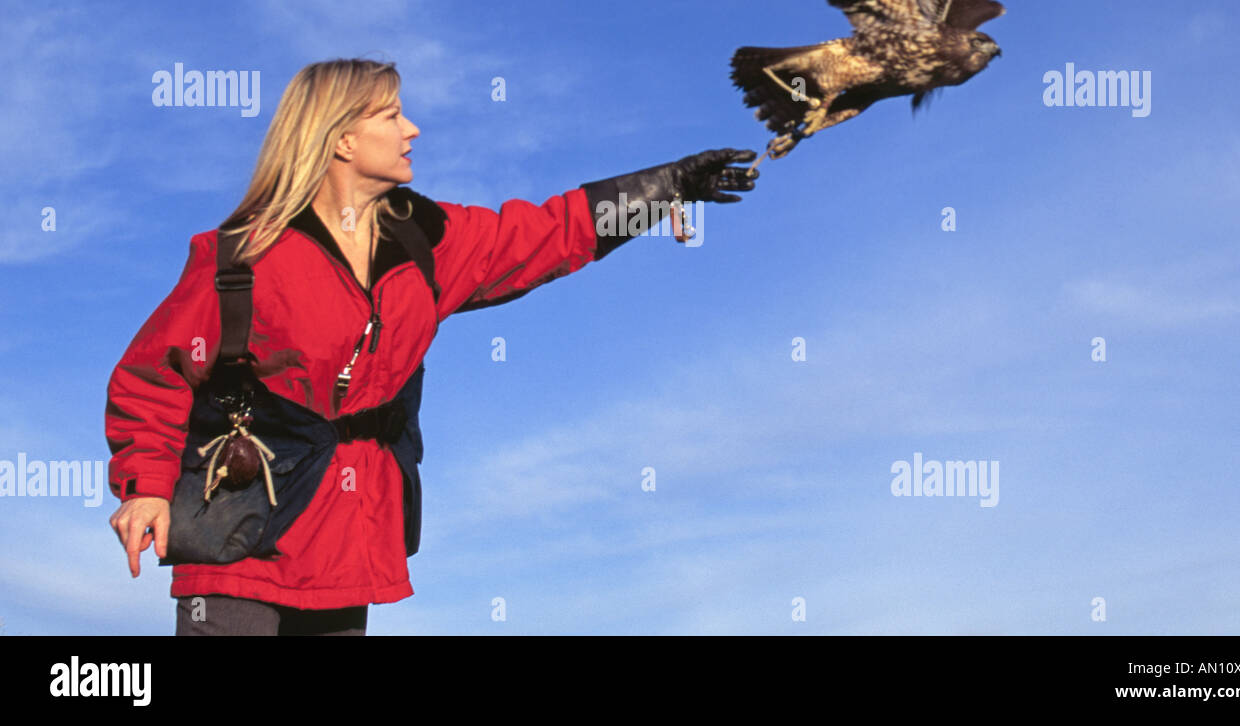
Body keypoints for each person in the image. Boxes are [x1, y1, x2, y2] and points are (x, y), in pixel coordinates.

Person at [105, 58, 758, 635]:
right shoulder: (242, 259)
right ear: (341, 138)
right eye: (391, 113)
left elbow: (546, 234)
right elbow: (151, 375)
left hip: (347, 541)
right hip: (240, 538)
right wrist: (146, 486)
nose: (412, 128)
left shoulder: (427, 240)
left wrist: (666, 187)